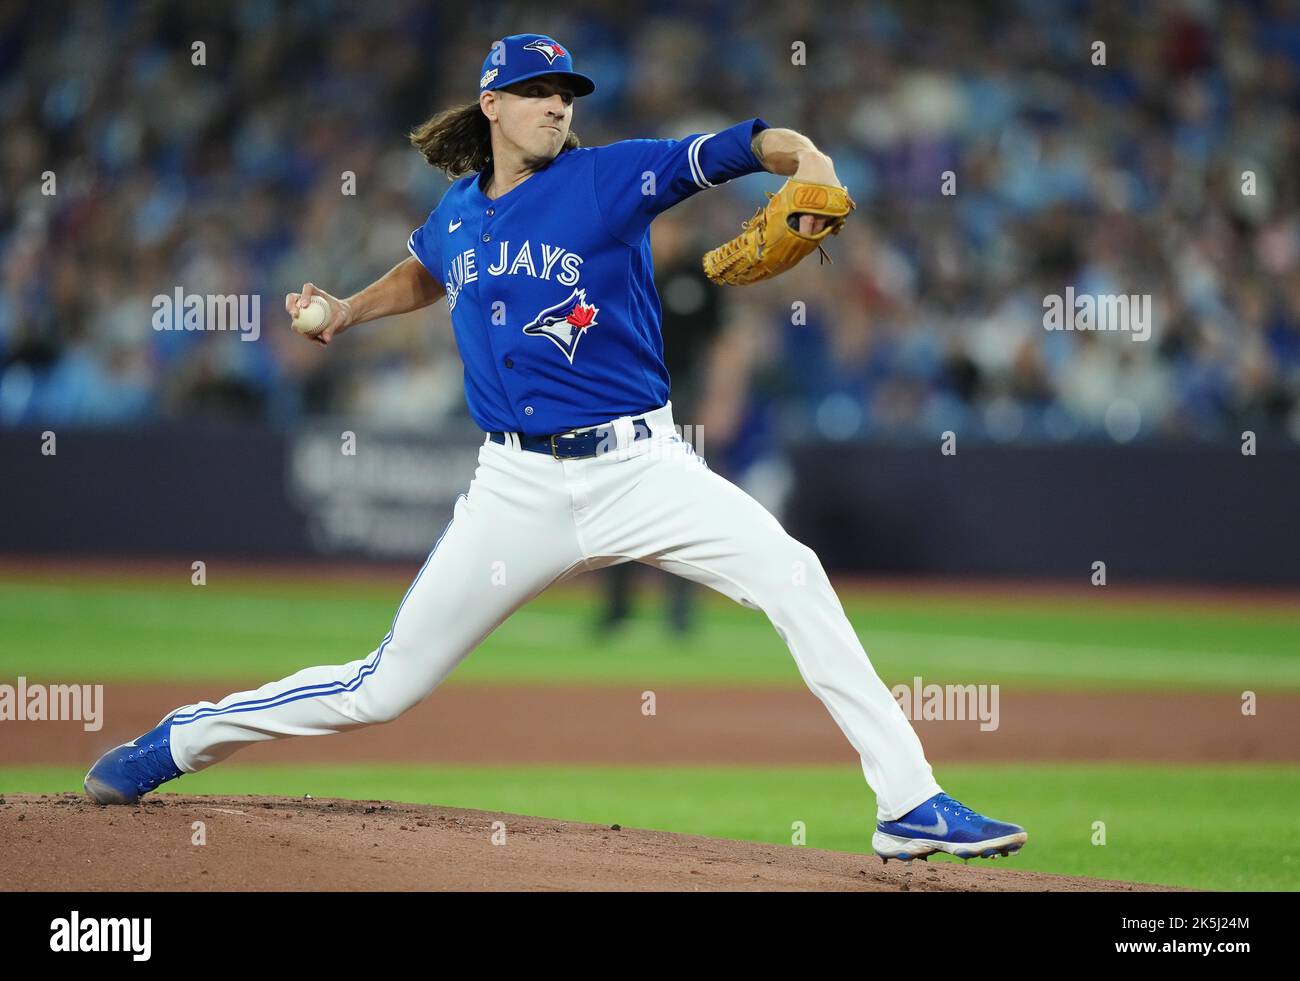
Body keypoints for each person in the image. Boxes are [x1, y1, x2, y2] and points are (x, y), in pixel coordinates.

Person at [84, 33, 1026, 864]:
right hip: (515, 487)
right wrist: (343, 312)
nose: (555, 107)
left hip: (641, 466)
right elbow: (425, 269)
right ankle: (178, 741)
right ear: (492, 105)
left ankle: (908, 804)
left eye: (566, 95)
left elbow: (747, 144)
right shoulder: (457, 212)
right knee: (383, 688)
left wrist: (808, 156)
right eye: (538, 93)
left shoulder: (610, 176)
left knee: (793, 573)